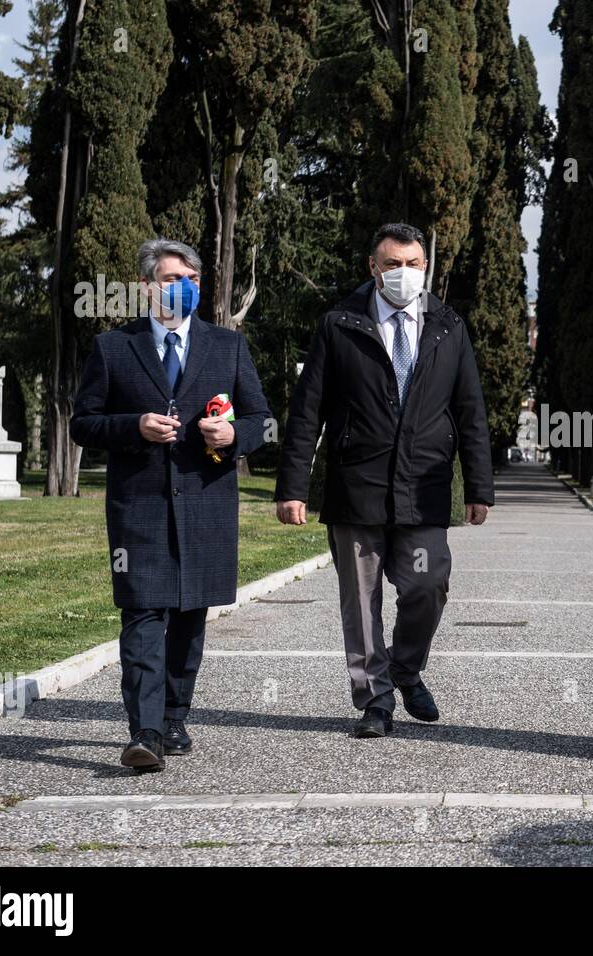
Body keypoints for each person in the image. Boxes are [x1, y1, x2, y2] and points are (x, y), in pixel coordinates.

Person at [274, 222, 494, 739]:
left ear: (426, 267)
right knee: (361, 598)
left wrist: (480, 486)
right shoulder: (339, 323)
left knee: (427, 582)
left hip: (424, 486)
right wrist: (291, 486)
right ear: (373, 268)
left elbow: (470, 411)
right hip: (357, 486)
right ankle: (375, 698)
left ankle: (405, 667)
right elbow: (309, 411)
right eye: (392, 264)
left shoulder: (448, 326)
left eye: (412, 263)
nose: (403, 273)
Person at [70, 238, 272, 772]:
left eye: (190, 279)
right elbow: (83, 423)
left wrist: (233, 436)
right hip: (139, 509)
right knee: (142, 615)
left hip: (206, 505)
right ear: (145, 287)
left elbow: (261, 421)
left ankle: (176, 715)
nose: (180, 287)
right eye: (168, 278)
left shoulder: (227, 347)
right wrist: (133, 427)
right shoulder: (113, 348)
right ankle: (146, 730)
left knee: (189, 617)